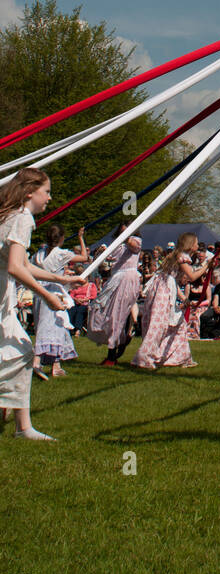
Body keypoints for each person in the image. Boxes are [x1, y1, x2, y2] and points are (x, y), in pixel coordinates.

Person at [0, 169, 79, 440]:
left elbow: (25, 265)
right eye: (46, 191)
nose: (50, 197)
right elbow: (14, 267)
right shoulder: (23, 218)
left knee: (20, 351)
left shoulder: (12, 215)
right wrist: (47, 296)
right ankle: (20, 424)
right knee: (20, 351)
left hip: (4, 295)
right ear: (30, 192)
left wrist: (61, 278)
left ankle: (21, 425)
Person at [132, 233, 208, 370]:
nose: (198, 245)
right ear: (191, 244)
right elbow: (191, 276)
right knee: (158, 326)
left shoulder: (176, 256)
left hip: (162, 289)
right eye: (196, 242)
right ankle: (144, 358)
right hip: (163, 293)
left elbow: (172, 280)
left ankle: (178, 356)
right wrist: (206, 267)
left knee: (179, 325)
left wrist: (183, 298)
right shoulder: (182, 257)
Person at [33, 224, 89, 378]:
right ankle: (37, 362)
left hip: (39, 292)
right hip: (54, 294)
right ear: (62, 238)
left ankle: (55, 365)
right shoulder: (61, 254)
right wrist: (80, 238)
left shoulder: (39, 254)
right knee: (53, 326)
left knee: (52, 326)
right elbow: (84, 258)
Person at [87, 232, 143, 366]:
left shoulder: (134, 242)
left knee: (116, 316)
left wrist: (127, 236)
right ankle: (121, 341)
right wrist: (103, 252)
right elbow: (108, 262)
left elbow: (134, 245)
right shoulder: (119, 245)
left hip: (126, 281)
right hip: (115, 281)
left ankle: (112, 355)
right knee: (101, 310)